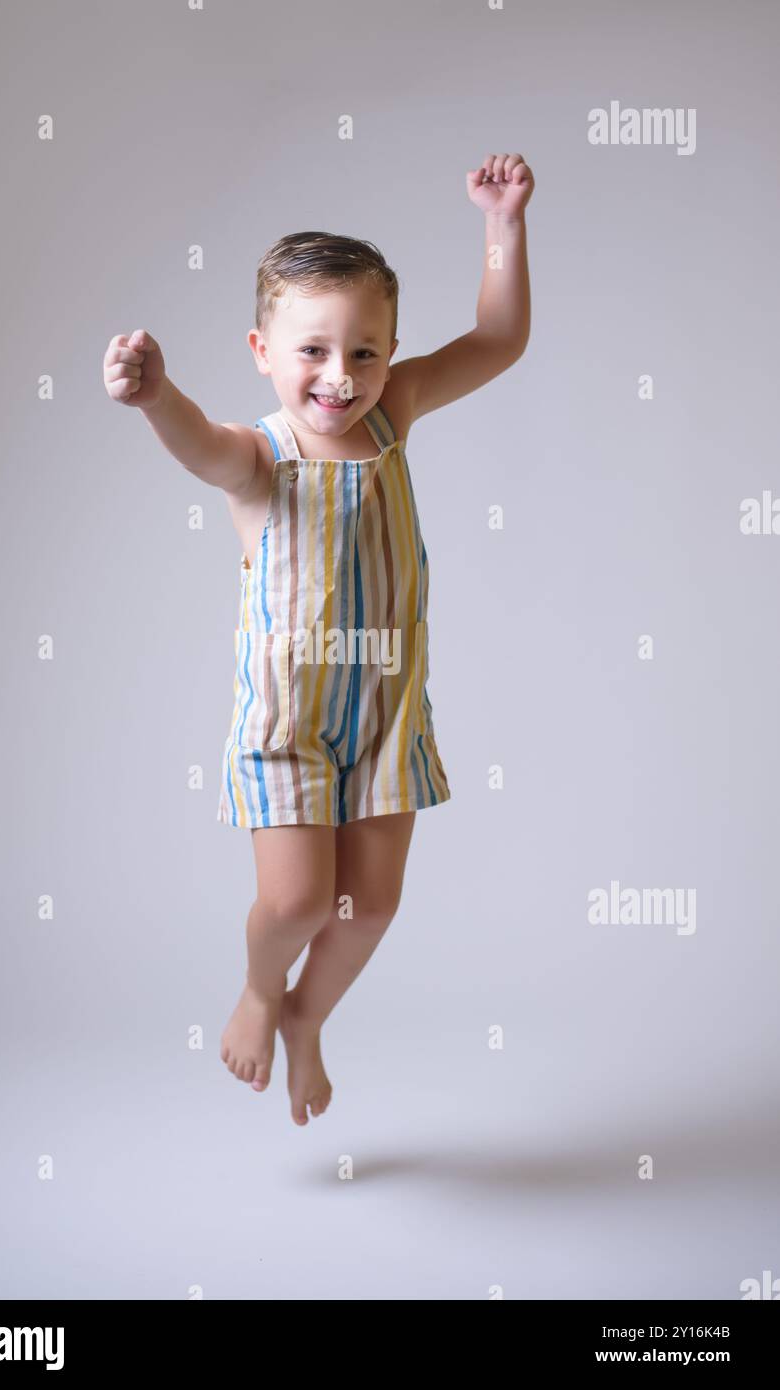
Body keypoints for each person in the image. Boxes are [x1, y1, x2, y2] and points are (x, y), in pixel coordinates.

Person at [103, 152, 533, 1125]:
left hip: (386, 717)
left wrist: (502, 224)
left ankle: (306, 1016)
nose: (341, 377)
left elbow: (501, 340)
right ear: (262, 348)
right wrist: (152, 396)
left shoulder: (398, 416)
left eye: (365, 351)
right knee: (298, 904)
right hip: (288, 728)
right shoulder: (260, 461)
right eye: (313, 351)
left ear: (389, 351)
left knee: (368, 908)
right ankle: (262, 990)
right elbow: (198, 441)